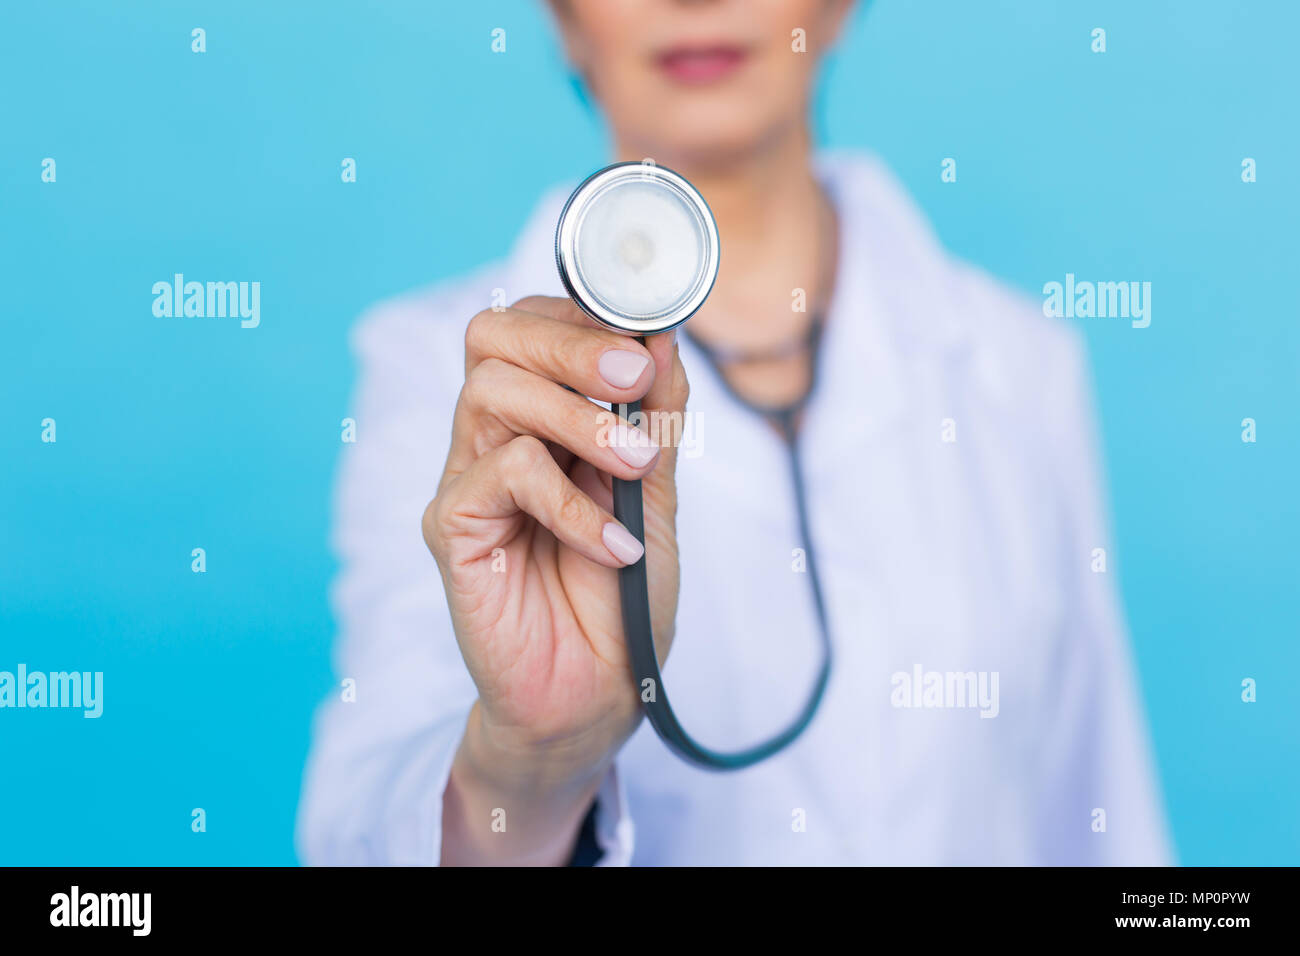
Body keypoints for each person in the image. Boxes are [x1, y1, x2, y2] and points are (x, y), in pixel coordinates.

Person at [297, 0, 1171, 866]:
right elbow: (356, 836)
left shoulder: (1022, 363)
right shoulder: (435, 373)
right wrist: (535, 760)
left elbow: (1103, 815)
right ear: (563, 21)